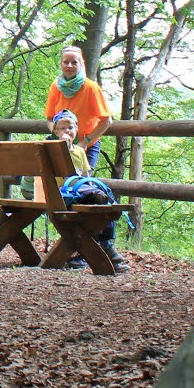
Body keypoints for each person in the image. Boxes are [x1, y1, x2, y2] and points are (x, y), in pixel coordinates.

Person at [48, 107, 128, 272]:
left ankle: (103, 245)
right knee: (98, 199)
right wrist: (64, 148)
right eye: (63, 128)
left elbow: (85, 175)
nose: (67, 131)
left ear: (77, 130)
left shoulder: (80, 151)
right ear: (55, 131)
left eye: (71, 127)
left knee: (103, 201)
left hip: (80, 192)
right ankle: (105, 249)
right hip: (62, 194)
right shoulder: (52, 148)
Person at [45, 46, 111, 173]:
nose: (69, 66)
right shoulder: (55, 87)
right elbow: (49, 119)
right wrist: (59, 133)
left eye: (74, 62)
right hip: (61, 144)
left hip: (87, 145)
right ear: (61, 63)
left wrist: (85, 142)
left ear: (81, 64)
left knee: (82, 184)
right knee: (54, 180)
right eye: (66, 62)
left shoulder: (91, 88)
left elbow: (107, 121)